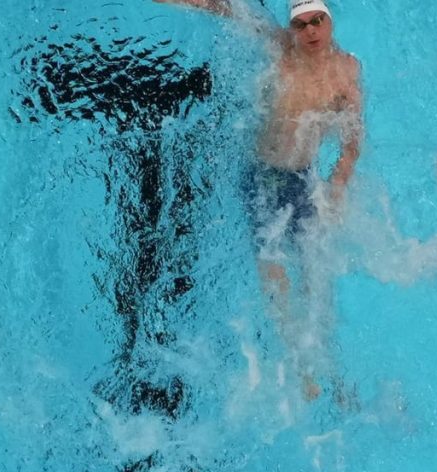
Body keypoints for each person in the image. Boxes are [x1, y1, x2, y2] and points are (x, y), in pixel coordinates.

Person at [154, 0, 363, 401]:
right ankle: (302, 372)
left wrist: (337, 186)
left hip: (303, 180)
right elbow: (228, 8)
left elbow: (352, 144)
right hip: (263, 178)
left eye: (318, 21)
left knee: (315, 277)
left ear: (330, 19)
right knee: (276, 282)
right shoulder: (280, 47)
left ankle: (333, 373)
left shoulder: (348, 71)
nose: (311, 32)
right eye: (301, 25)